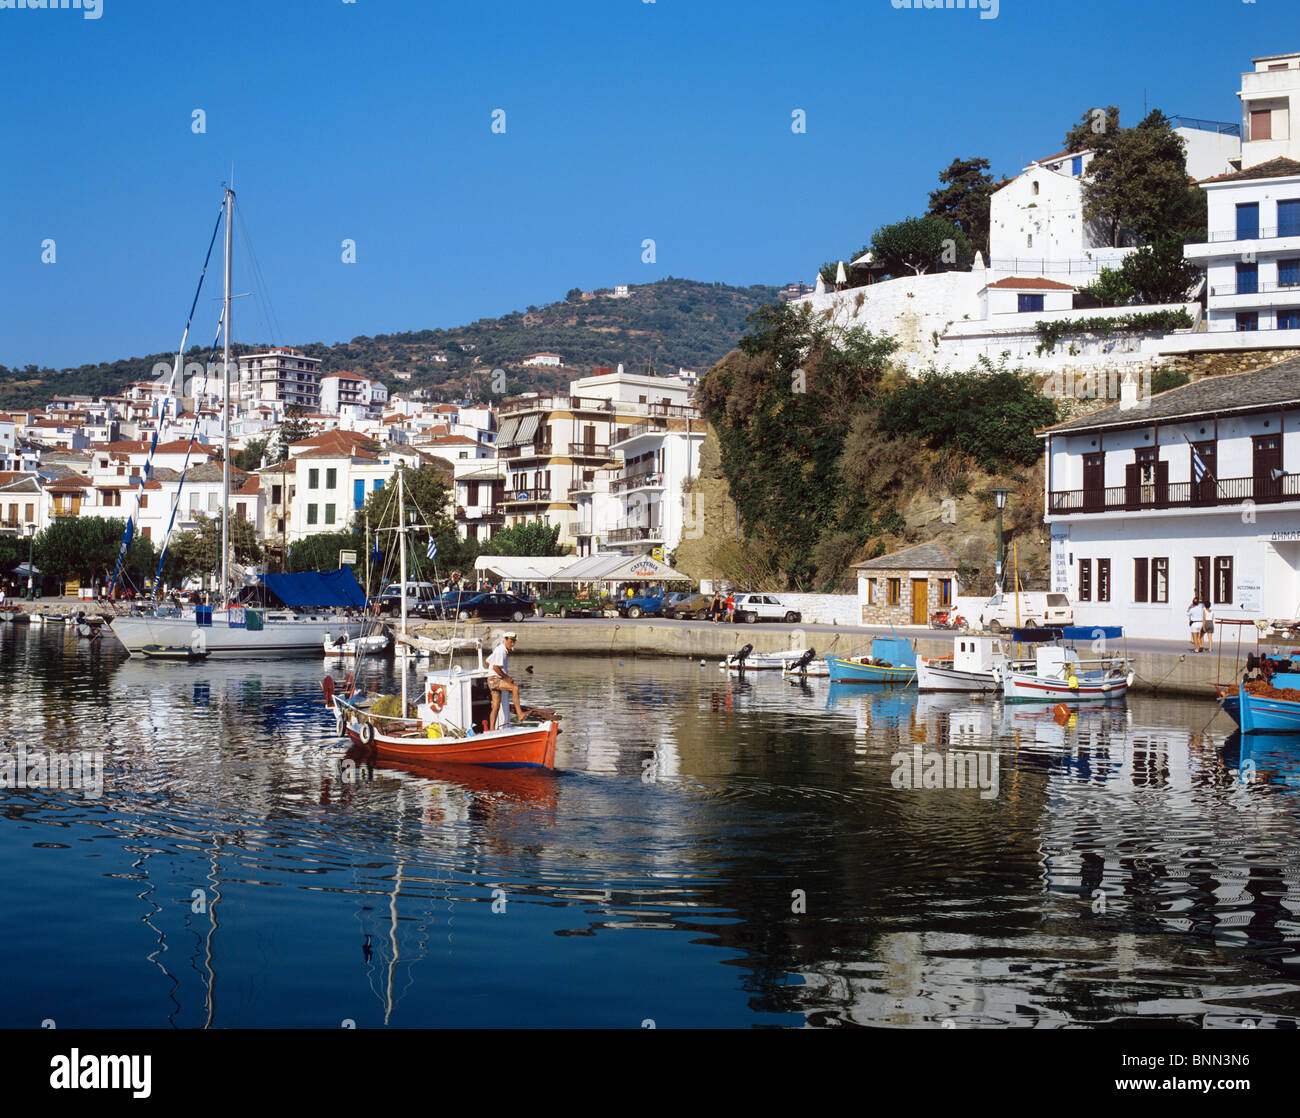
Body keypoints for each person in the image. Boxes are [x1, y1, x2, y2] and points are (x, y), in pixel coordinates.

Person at [486, 632, 523, 730]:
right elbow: (495, 667)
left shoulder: (499, 650)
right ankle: (520, 714)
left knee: (496, 706)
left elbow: (487, 661)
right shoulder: (501, 651)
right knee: (515, 688)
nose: (512, 644)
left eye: (514, 642)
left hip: (492, 680)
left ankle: (491, 730)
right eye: (511, 642)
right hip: (494, 680)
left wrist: (491, 672)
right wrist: (507, 678)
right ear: (505, 640)